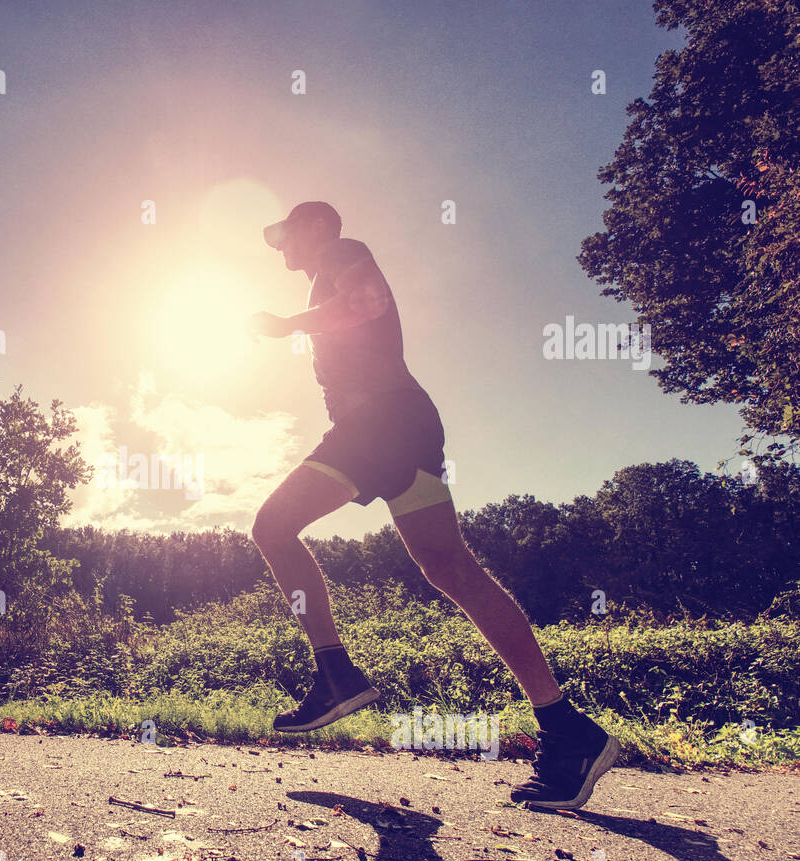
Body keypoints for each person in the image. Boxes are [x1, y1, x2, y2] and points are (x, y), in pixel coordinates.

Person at [246, 201, 618, 810]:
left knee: (273, 526)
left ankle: (336, 673)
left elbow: (367, 302)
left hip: (380, 424)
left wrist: (287, 325)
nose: (280, 247)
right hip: (409, 426)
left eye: (284, 233)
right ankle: (568, 729)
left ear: (316, 227)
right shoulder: (324, 278)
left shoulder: (341, 254)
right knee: (452, 570)